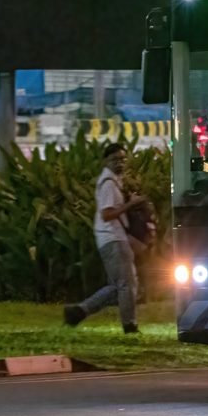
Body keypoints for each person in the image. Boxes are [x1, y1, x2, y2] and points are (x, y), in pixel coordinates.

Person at [64, 142, 155, 332]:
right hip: (113, 238)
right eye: (115, 159)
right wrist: (131, 204)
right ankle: (130, 325)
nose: (120, 163)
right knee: (126, 285)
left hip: (114, 238)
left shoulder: (113, 182)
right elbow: (107, 214)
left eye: (123, 159)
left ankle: (79, 311)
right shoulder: (108, 184)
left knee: (119, 286)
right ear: (105, 161)